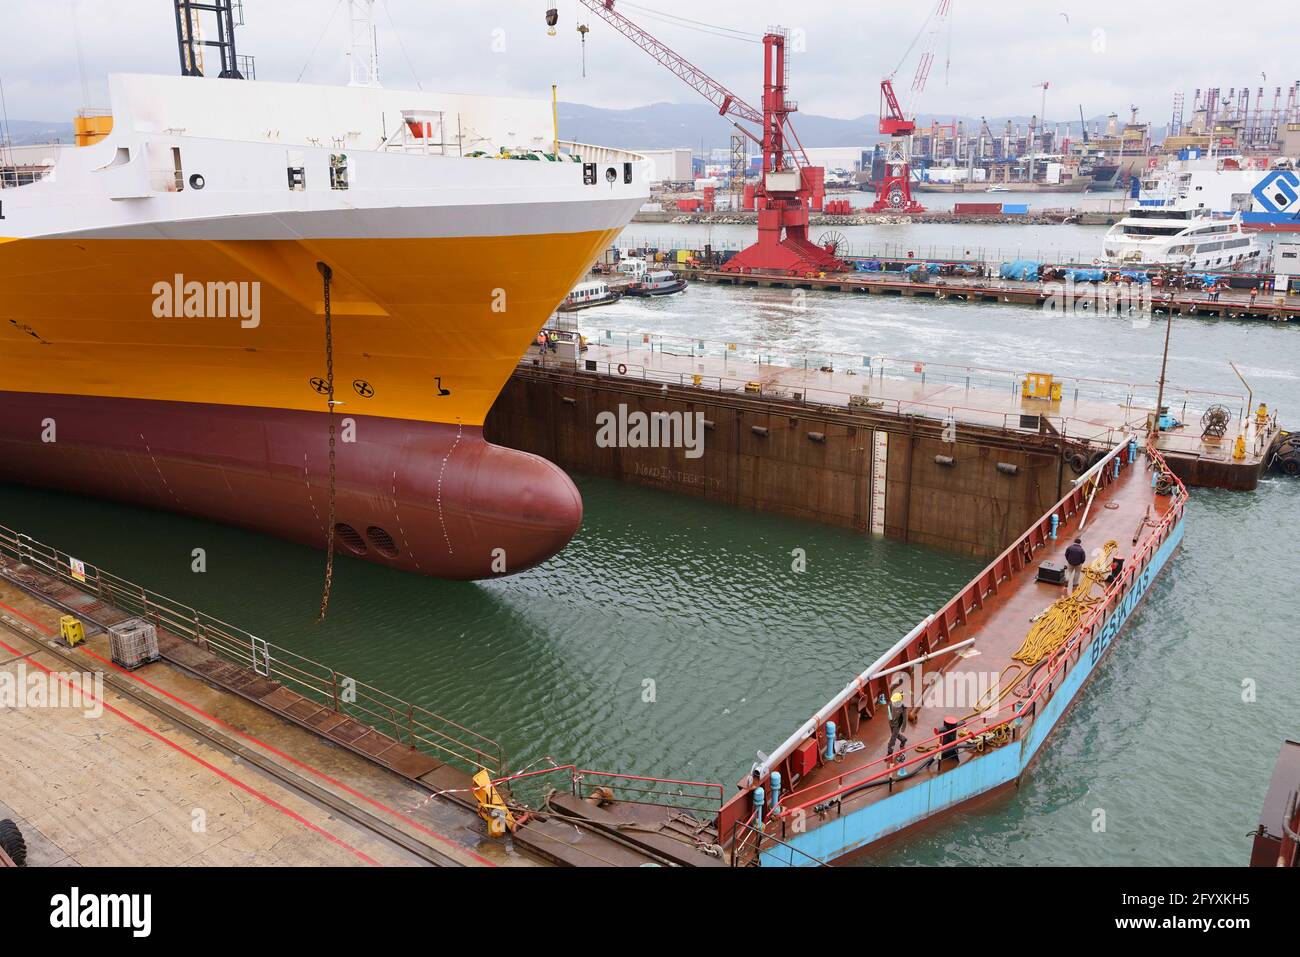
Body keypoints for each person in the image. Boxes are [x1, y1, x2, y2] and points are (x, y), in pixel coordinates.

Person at [879, 691, 908, 760]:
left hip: (897, 725)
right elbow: (889, 711)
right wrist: (890, 720)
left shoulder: (903, 708)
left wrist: (903, 728)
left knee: (893, 738)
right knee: (894, 734)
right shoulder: (891, 703)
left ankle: (889, 753)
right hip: (891, 722)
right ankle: (903, 739)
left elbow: (905, 719)